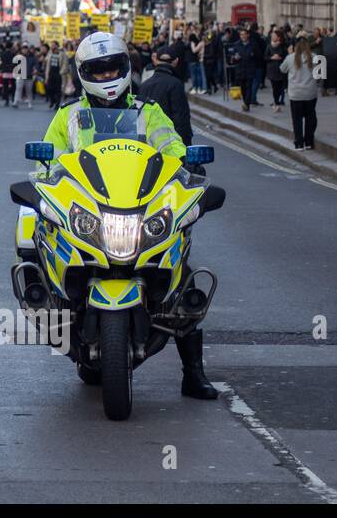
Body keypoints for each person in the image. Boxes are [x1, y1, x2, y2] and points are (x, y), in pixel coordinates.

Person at [40, 32, 215, 400]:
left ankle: (193, 373)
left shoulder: (148, 113)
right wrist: (45, 180)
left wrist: (186, 171)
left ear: (125, 68)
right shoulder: (68, 116)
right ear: (84, 73)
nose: (106, 77)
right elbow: (48, 164)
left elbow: (173, 151)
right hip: (90, 212)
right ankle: (51, 306)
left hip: (139, 208)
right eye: (97, 71)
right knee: (37, 236)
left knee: (182, 277)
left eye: (112, 69)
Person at [138, 45, 194, 148]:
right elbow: (181, 119)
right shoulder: (176, 84)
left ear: (156, 61)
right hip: (170, 145)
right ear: (176, 61)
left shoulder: (144, 85)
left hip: (146, 145)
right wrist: (185, 147)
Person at [281, 37, 320, 150]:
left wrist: (289, 54)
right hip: (310, 92)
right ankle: (309, 142)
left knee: (297, 119)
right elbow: (320, 75)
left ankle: (298, 143)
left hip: (296, 94)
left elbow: (282, 69)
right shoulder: (315, 57)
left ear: (295, 46)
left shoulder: (290, 58)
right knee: (310, 117)